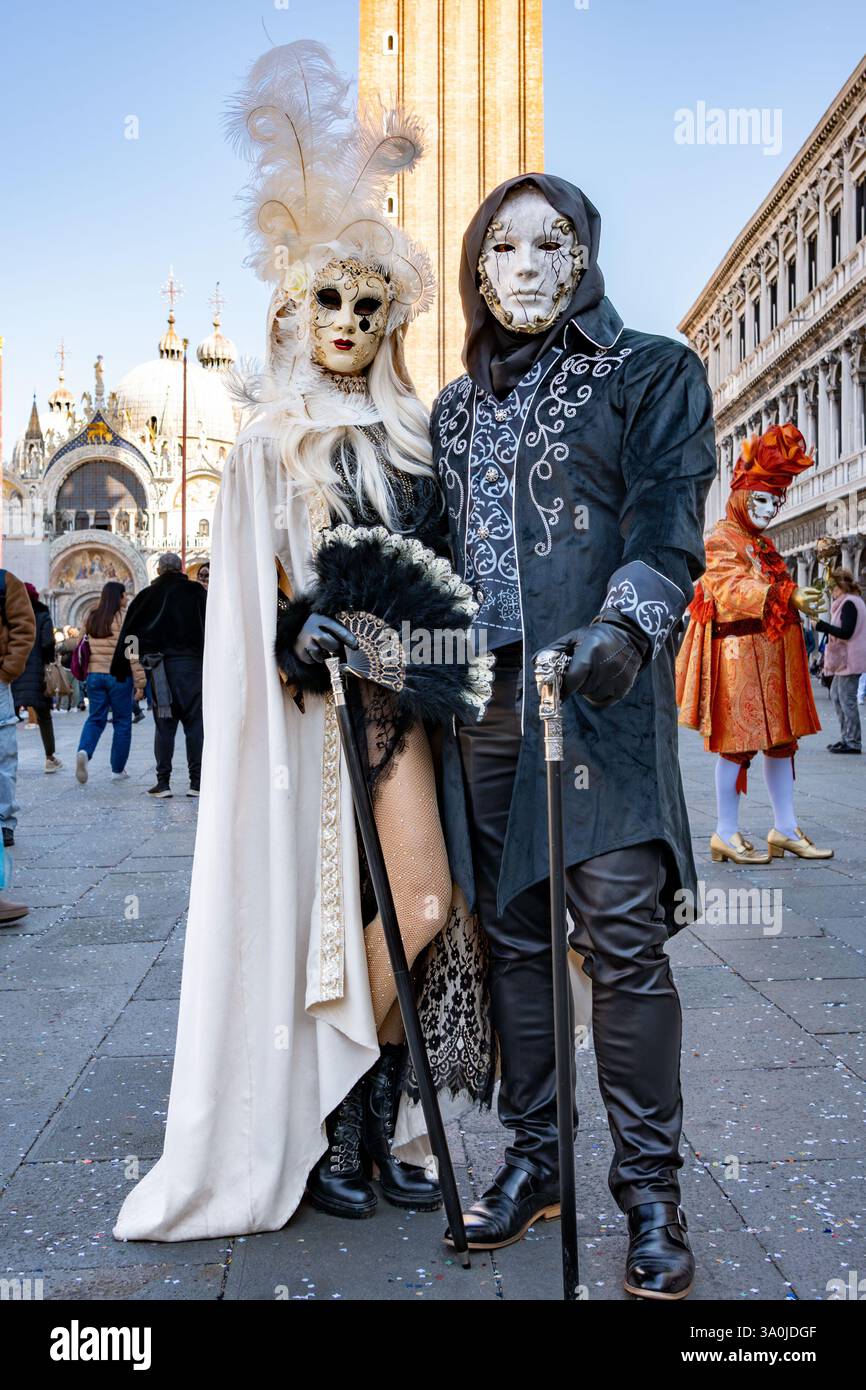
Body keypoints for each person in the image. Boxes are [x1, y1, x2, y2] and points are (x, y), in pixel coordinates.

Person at [114, 42, 491, 1245]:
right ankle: (330, 1120)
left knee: (425, 899)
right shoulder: (266, 440)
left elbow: (446, 576)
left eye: (369, 305)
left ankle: (376, 1106)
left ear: (391, 319)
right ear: (295, 304)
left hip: (399, 710)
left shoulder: (416, 437)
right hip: (307, 708)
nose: (347, 322)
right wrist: (296, 631)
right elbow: (256, 597)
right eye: (328, 298)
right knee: (308, 916)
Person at [430, 174, 716, 1299]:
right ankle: (535, 1159)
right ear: (476, 265)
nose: (528, 264)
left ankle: (649, 1191)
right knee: (511, 939)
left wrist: (627, 621)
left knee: (619, 940)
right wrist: (339, 616)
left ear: (584, 257)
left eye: (553, 243)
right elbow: (415, 552)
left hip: (598, 691)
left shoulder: (648, 369)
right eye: (502, 244)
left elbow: (665, 514)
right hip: (484, 707)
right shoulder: (451, 410)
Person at [677, 425, 832, 861]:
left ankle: (784, 828)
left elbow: (778, 588)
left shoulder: (761, 543)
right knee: (737, 746)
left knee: (782, 743)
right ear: (742, 496)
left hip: (773, 659)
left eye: (775, 502)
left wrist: (802, 595)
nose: (768, 511)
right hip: (737, 660)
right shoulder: (719, 540)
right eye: (761, 500)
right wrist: (787, 593)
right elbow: (732, 587)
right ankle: (725, 832)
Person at [111, 553, 206, 797]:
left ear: (159, 571)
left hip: (160, 668)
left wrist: (128, 662)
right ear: (180, 568)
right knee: (195, 723)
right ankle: (197, 782)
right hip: (194, 667)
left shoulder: (146, 597)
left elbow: (130, 635)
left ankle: (163, 783)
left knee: (165, 724)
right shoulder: (197, 593)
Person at [75, 582, 145, 783]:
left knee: (95, 718)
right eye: (125, 596)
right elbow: (133, 654)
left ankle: (84, 751)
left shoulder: (92, 616)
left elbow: (80, 644)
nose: (126, 600)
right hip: (119, 676)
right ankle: (117, 769)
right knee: (122, 721)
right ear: (120, 597)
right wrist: (140, 682)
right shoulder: (127, 619)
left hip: (94, 675)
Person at [0, 566, 35, 923]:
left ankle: (4, 821)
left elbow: (24, 628)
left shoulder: (3, 582)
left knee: (2, 761)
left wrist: (7, 671)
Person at [12, 583, 61, 773]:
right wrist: (47, 660)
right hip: (37, 671)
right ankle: (49, 758)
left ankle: (5, 757)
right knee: (44, 716)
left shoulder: (11, 615)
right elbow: (48, 642)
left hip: (13, 670)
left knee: (7, 716)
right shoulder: (42, 615)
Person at [815, 568, 866, 755]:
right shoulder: (846, 602)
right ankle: (846, 737)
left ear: (842, 586)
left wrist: (822, 626)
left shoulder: (850, 603)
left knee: (847, 700)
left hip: (850, 658)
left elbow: (847, 632)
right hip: (844, 659)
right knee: (837, 696)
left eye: (833, 588)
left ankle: (853, 741)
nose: (831, 592)